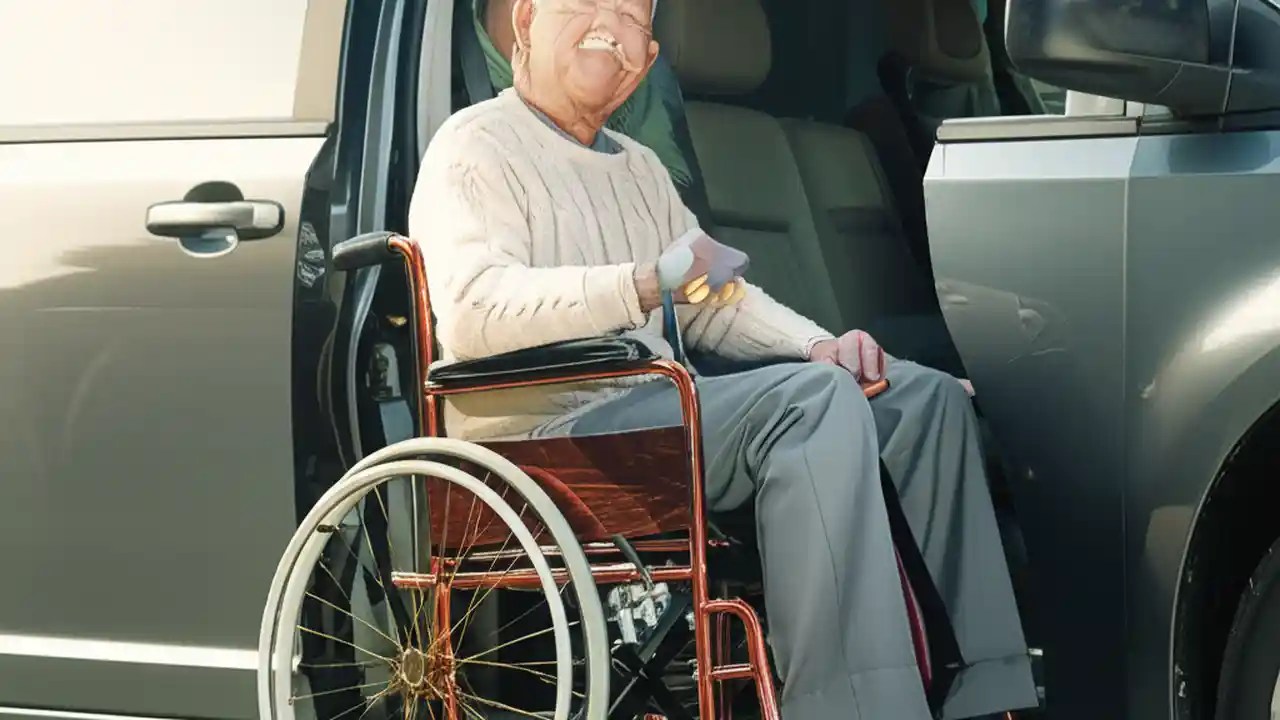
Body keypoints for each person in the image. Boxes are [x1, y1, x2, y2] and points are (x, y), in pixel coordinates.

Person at [407, 0, 1038, 717]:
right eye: (587, 3)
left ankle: (979, 692)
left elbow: (714, 295)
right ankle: (851, 705)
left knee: (921, 398)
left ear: (648, 60)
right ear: (524, 20)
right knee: (811, 404)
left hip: (649, 406)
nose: (611, 27)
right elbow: (474, 309)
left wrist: (818, 346)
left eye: (633, 16)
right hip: (545, 429)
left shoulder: (641, 169)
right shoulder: (474, 144)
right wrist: (638, 284)